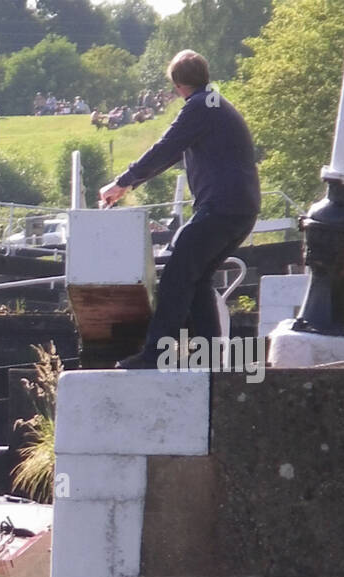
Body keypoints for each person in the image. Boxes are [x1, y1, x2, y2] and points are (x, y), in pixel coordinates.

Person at [99, 50, 260, 369]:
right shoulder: (215, 103)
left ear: (176, 86)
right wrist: (129, 183)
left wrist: (122, 182)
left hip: (222, 207)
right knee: (197, 277)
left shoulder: (200, 106)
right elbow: (174, 153)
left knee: (175, 273)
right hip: (243, 209)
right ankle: (211, 359)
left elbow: (166, 148)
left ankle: (155, 354)